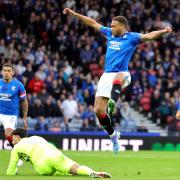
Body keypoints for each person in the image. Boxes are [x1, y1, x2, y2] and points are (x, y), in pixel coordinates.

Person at [63, 8, 172, 154]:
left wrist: (163, 31)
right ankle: (113, 136)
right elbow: (93, 23)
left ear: (122, 25)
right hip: (106, 76)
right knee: (98, 111)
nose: (111, 27)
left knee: (119, 76)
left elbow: (150, 36)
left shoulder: (132, 37)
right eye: (111, 25)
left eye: (114, 25)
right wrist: (75, 14)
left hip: (123, 74)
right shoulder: (109, 33)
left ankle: (113, 103)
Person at [6, 128, 111, 178]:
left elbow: (10, 172)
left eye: (12, 137)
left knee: (54, 171)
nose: (11, 140)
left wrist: (14, 172)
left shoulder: (16, 149)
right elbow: (51, 147)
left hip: (41, 167)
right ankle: (91, 173)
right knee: (76, 168)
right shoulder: (37, 137)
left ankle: (65, 172)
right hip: (54, 156)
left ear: (17, 136)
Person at [0, 64, 28, 146]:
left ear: (13, 72)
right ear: (2, 72)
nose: (6, 73)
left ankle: (20, 151)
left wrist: (25, 116)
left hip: (11, 115)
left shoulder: (19, 85)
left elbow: (24, 101)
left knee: (8, 134)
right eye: (4, 70)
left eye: (8, 71)